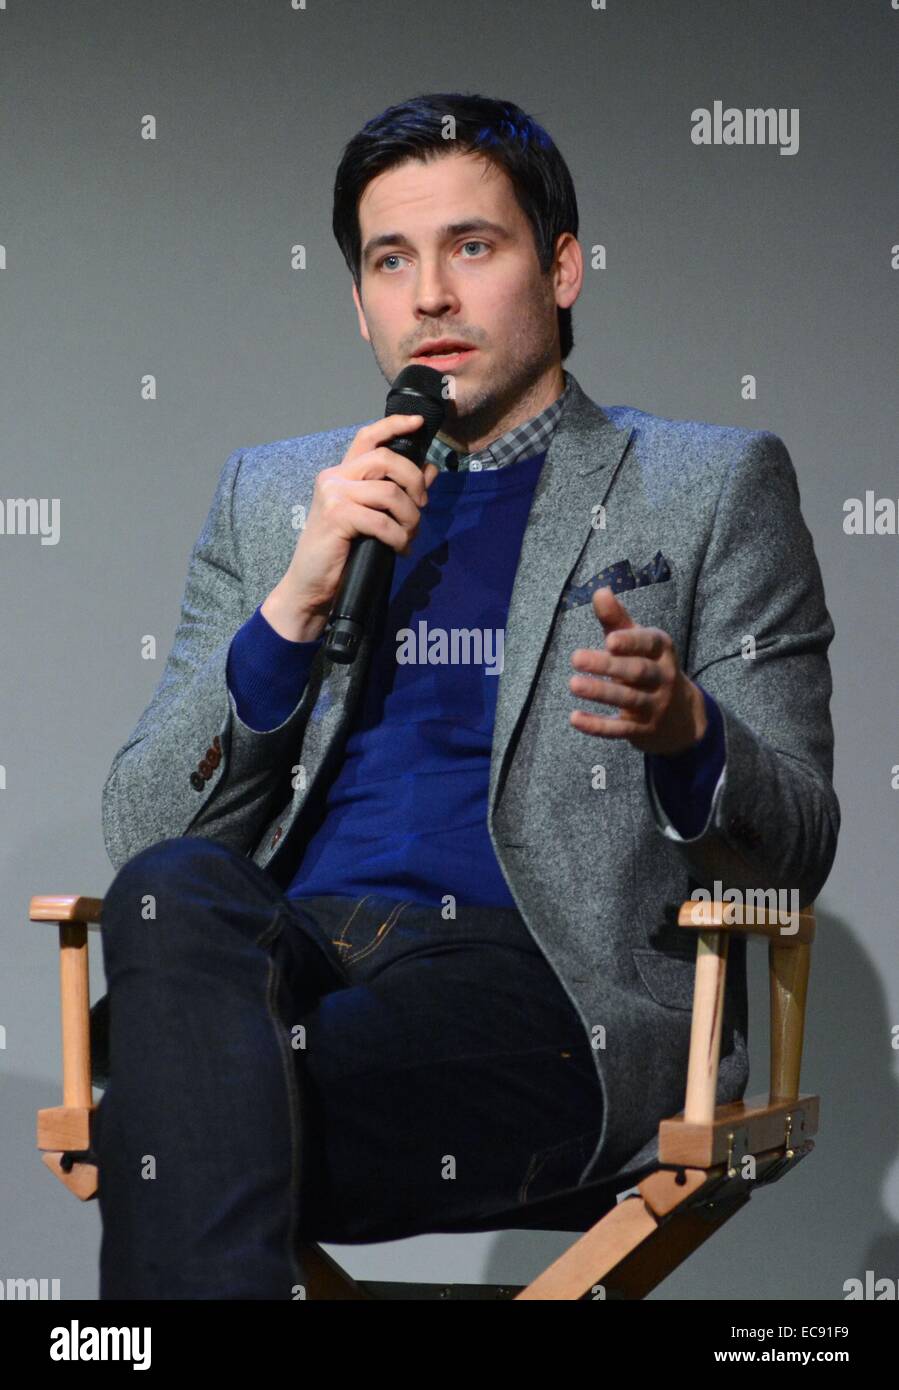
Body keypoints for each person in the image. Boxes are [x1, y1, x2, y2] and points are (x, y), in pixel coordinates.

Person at [93, 92, 839, 1299]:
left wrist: (688, 733)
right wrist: (287, 610)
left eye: (470, 248)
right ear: (357, 300)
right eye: (391, 261)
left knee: (179, 1105)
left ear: (559, 267)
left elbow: (794, 842)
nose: (427, 296)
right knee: (174, 893)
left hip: (538, 980)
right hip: (292, 958)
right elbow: (140, 837)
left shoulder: (707, 486)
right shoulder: (276, 493)